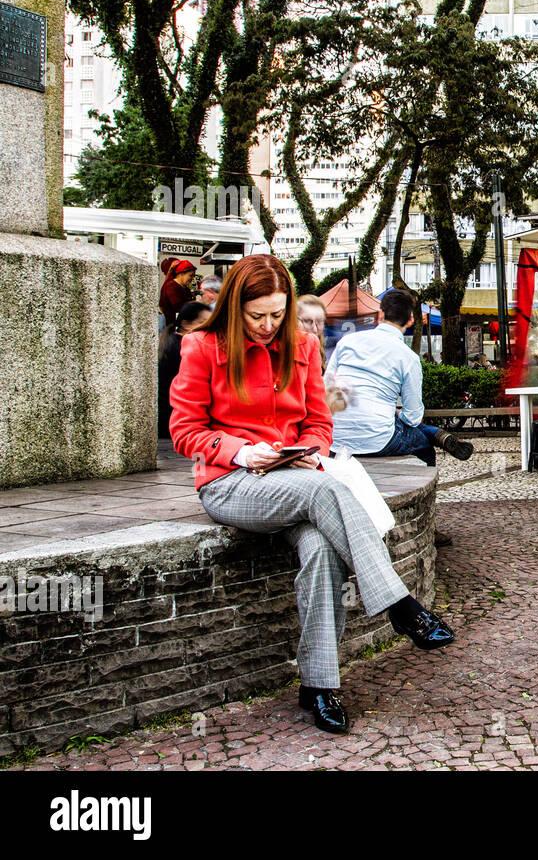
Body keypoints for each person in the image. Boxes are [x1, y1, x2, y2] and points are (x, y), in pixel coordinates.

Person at [169, 255, 454, 736]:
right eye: (256, 315)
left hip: (297, 477)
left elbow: (320, 422)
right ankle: (400, 606)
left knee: (321, 548)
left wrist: (309, 451)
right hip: (230, 481)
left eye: (277, 314)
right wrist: (243, 452)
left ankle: (319, 685)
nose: (267, 325)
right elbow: (184, 432)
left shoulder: (302, 345)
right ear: (235, 307)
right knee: (326, 488)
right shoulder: (202, 346)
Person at [327, 289, 474, 466]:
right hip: (378, 439)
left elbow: (326, 386)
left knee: (400, 424)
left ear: (380, 314)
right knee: (423, 445)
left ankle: (435, 433)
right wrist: (396, 413)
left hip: (334, 436)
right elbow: (413, 417)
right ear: (411, 319)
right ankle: (433, 441)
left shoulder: (347, 342)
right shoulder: (408, 357)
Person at [157, 301, 211, 437]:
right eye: (203, 323)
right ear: (186, 324)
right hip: (175, 421)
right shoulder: (185, 348)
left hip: (168, 417)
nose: (209, 327)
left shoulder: (171, 341)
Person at [159, 259, 197, 327]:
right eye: (190, 275)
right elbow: (178, 306)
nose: (192, 279)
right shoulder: (171, 286)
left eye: (193, 276)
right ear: (181, 274)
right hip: (168, 325)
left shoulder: (186, 288)